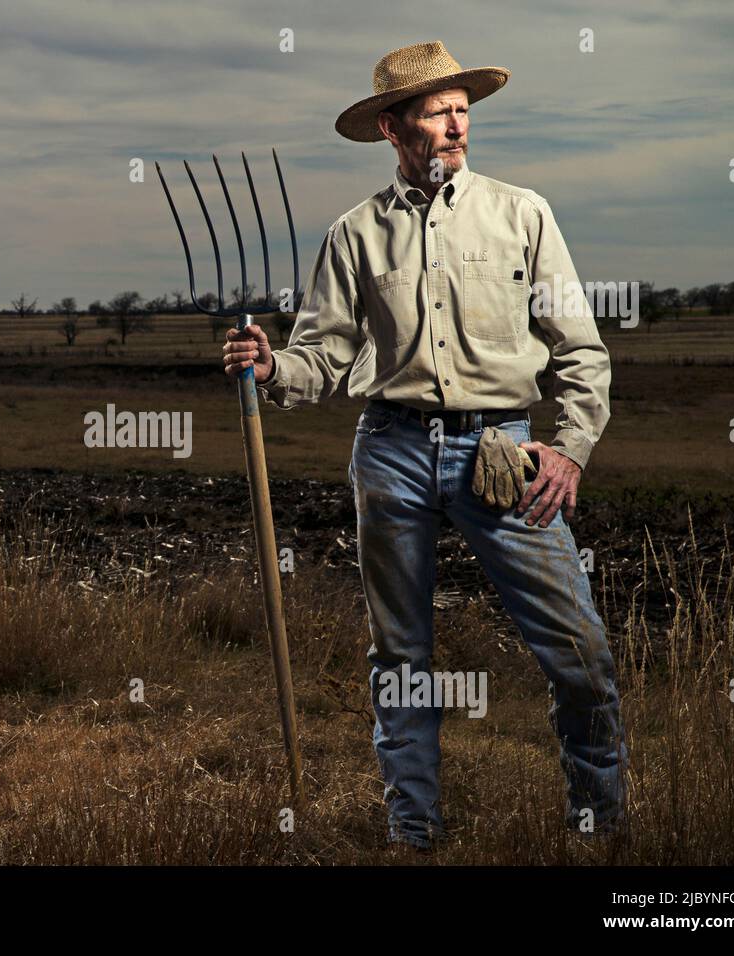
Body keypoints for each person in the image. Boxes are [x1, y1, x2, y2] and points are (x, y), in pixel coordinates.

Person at [222, 41, 627, 850]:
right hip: (393, 451)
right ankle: (414, 833)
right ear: (392, 127)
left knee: (581, 653)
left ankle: (601, 827)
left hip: (501, 452)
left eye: (463, 110)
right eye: (438, 111)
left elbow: (581, 352)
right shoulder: (355, 235)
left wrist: (571, 448)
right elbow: (323, 357)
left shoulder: (522, 214)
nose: (456, 125)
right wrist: (272, 365)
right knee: (401, 655)